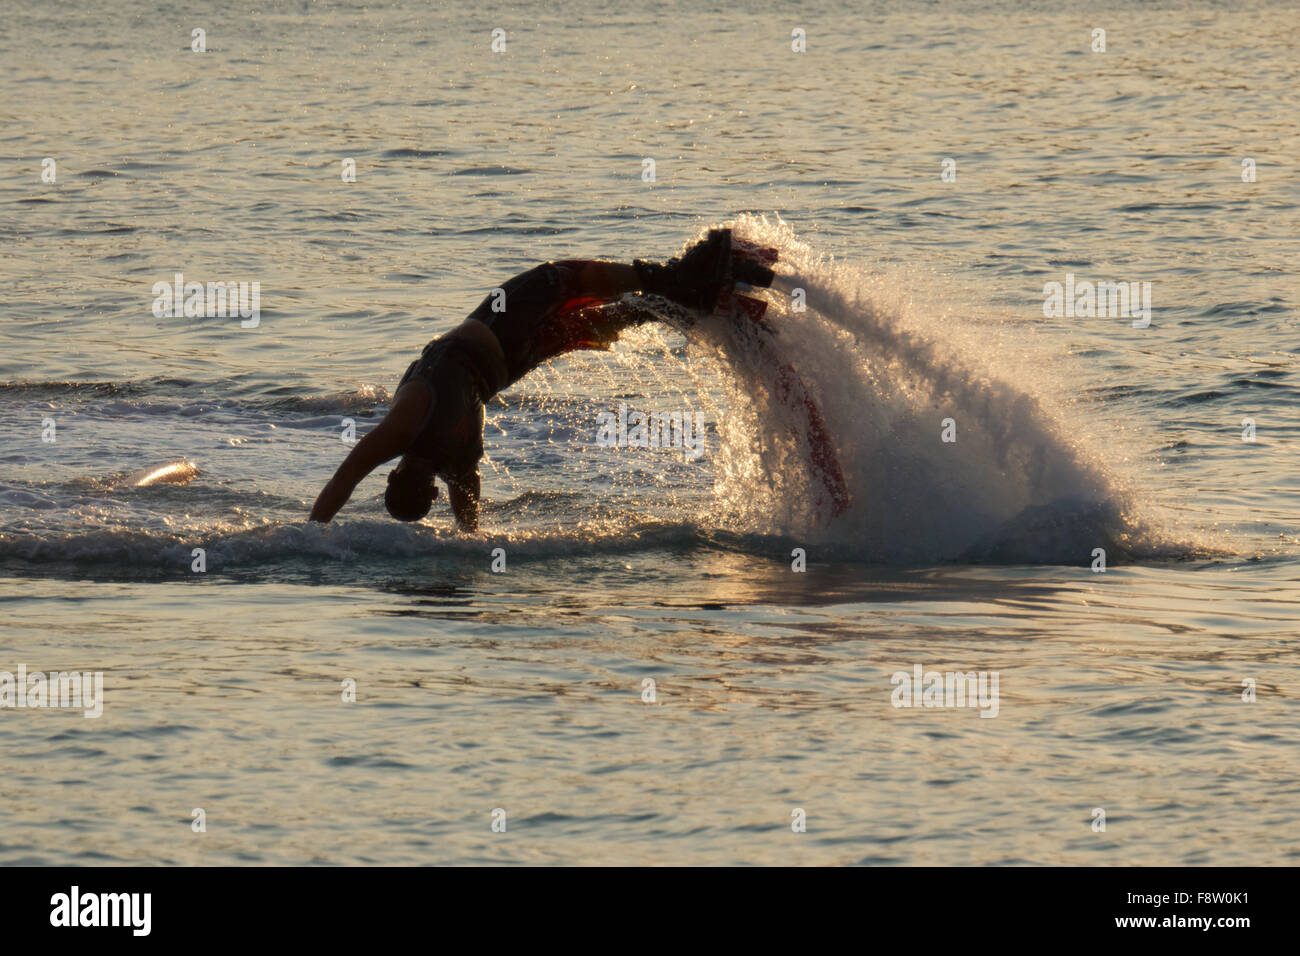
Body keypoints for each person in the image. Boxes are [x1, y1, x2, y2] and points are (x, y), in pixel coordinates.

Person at [309, 229, 753, 530]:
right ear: (392, 478)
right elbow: (343, 480)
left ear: (433, 494)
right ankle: (676, 280)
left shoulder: (459, 468)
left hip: (511, 364)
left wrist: (309, 543)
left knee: (598, 324)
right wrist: (309, 534)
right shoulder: (403, 430)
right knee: (561, 280)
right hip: (496, 328)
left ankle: (682, 306)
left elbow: (470, 531)